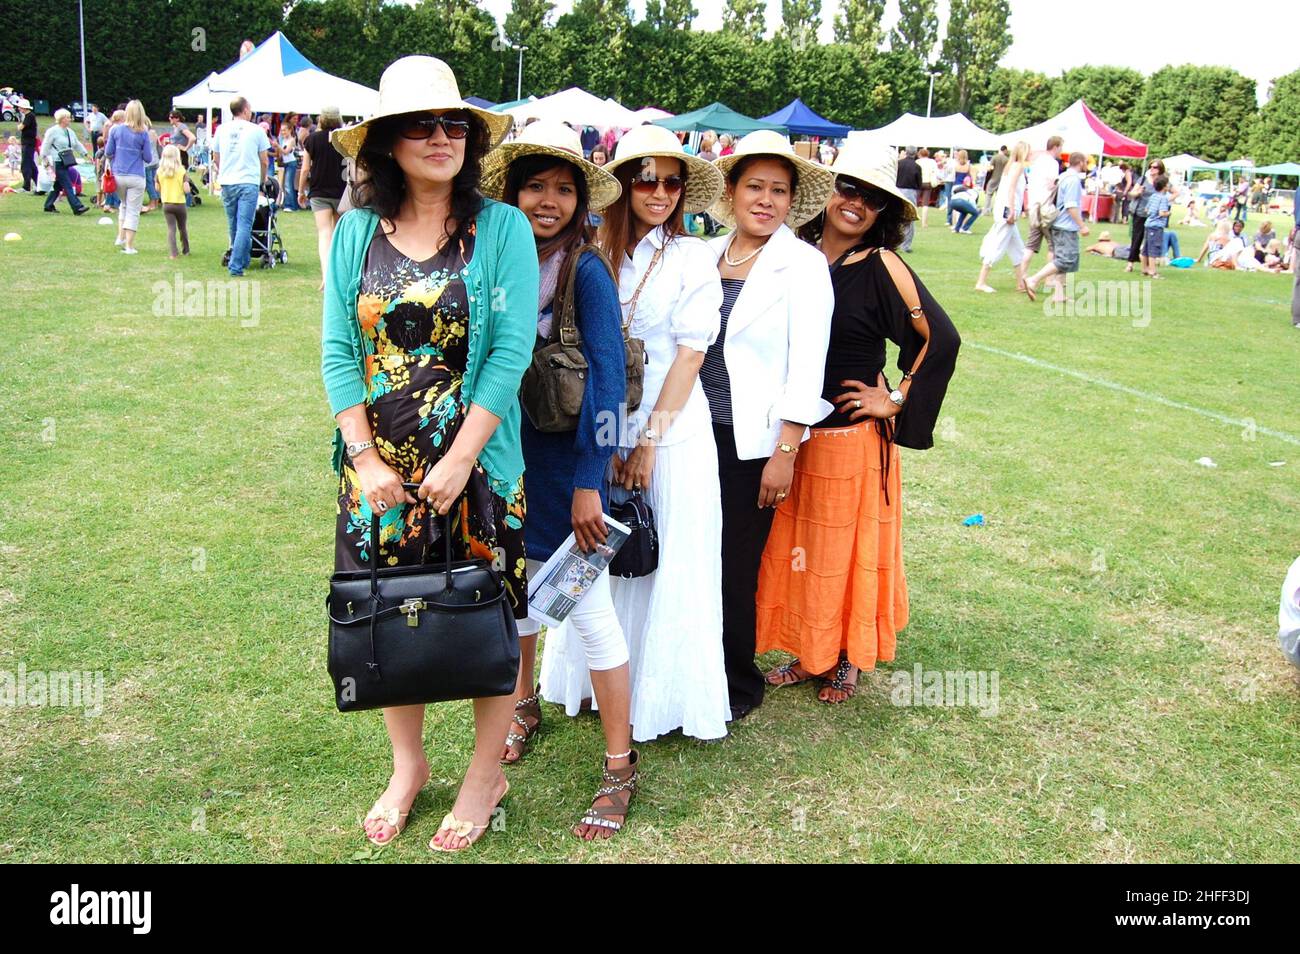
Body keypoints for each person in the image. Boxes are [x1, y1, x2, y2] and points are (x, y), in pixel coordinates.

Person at [322, 55, 536, 853]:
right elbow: (340, 352)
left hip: (479, 467)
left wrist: (459, 461)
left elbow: (511, 352)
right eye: (422, 125)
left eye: (455, 125)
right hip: (376, 475)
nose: (442, 137)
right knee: (387, 615)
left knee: (490, 616)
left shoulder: (502, 229)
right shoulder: (353, 233)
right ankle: (407, 767)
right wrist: (368, 460)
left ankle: (486, 772)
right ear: (385, 142)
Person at [541, 123, 729, 742]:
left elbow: (690, 355)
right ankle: (593, 687)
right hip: (593, 421)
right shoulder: (587, 249)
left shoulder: (691, 257)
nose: (661, 191)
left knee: (666, 558)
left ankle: (661, 698)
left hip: (670, 426)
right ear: (620, 182)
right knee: (595, 556)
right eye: (646, 176)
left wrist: (645, 439)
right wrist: (611, 438)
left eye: (673, 181)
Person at [480, 120, 639, 839]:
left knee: (591, 619)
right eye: (535, 186)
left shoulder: (587, 270)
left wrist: (588, 485)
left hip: (569, 476)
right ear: (511, 194)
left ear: (582, 201)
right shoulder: (495, 259)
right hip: (507, 469)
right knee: (513, 606)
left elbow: (607, 386)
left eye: (563, 189)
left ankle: (620, 766)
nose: (548, 201)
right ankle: (522, 707)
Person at [763, 140, 960, 702]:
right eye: (846, 188)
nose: (855, 203)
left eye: (872, 198)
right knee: (801, 548)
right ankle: (810, 652)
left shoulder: (881, 266)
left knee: (845, 555)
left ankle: (846, 657)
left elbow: (939, 338)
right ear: (826, 191)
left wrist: (895, 398)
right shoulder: (793, 253)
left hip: (849, 438)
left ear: (884, 212)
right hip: (790, 434)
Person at [702, 130, 835, 720]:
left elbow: (808, 363)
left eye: (779, 190)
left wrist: (786, 448)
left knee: (735, 562)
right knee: (693, 555)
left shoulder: (802, 265)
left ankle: (736, 681)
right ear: (730, 192)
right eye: (754, 186)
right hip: (690, 436)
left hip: (751, 443)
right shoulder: (706, 254)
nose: (766, 199)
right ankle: (693, 667)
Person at [211, 96, 269, 277]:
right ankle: (236, 265)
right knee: (245, 224)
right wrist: (262, 179)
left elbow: (216, 156)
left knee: (233, 223)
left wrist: (224, 171)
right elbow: (264, 160)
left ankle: (241, 258)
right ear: (245, 110)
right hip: (248, 181)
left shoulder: (221, 129)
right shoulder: (256, 130)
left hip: (228, 181)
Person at [1026, 152, 1090, 303]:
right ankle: (1034, 280)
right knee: (1065, 260)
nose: (1087, 164)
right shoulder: (1073, 180)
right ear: (1080, 162)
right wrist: (1082, 226)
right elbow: (1071, 206)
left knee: (1064, 261)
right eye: (1086, 162)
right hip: (1065, 226)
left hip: (1058, 224)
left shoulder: (1063, 176)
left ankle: (1059, 295)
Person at [975, 141, 1032, 293]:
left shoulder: (1011, 166)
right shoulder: (1018, 167)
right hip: (1007, 210)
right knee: (998, 244)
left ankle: (1020, 283)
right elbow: (1012, 189)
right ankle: (981, 281)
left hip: (1004, 208)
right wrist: (1012, 210)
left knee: (1017, 248)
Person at [299, 106, 346, 289]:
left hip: (319, 192)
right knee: (338, 235)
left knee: (324, 233)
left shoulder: (311, 140)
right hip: (342, 193)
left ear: (321, 119)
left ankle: (326, 275)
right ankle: (339, 275)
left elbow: (305, 169)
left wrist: (300, 191)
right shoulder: (344, 138)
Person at [1021, 136, 1063, 277]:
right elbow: (1051, 184)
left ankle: (1022, 276)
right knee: (1053, 245)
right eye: (1061, 147)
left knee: (1031, 244)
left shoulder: (1037, 162)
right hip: (1046, 207)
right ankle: (1049, 278)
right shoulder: (1053, 163)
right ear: (1055, 147)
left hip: (1033, 206)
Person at [39, 108, 91, 215]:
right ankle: (77, 207)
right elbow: (46, 145)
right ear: (61, 119)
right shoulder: (52, 131)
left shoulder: (70, 132)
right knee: (67, 184)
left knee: (58, 185)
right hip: (57, 161)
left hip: (66, 161)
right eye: (67, 117)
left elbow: (76, 144)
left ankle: (48, 205)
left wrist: (85, 154)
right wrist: (44, 159)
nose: (69, 119)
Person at [1125, 159, 1166, 273]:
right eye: (1151, 166)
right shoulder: (1143, 179)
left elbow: (1175, 192)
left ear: (1160, 169)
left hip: (1154, 216)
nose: (1152, 169)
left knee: (1150, 241)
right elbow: (1131, 193)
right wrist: (1138, 192)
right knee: (1136, 239)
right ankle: (1130, 263)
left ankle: (1147, 267)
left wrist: (1166, 202)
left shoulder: (1162, 181)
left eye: (1155, 167)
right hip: (1140, 212)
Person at [155, 143, 190, 259]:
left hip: (167, 203)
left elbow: (157, 188)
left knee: (171, 228)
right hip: (180, 203)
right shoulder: (181, 171)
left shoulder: (159, 172)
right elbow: (186, 189)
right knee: (182, 227)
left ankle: (173, 253)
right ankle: (186, 249)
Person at [1141, 175, 1172, 278]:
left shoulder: (1153, 196)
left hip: (1148, 224)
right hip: (1156, 226)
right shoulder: (1163, 198)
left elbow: (1146, 210)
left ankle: (1144, 268)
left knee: (1146, 248)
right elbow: (1162, 213)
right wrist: (1168, 213)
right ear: (1164, 186)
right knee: (1153, 249)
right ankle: (1152, 271)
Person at [896, 146, 921, 252]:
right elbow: (919, 183)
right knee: (909, 219)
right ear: (915, 153)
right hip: (910, 192)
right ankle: (905, 245)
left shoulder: (899, 164)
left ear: (906, 152)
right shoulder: (916, 166)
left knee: (895, 217)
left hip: (897, 190)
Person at [277, 113, 302, 211]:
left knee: (288, 184)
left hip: (291, 163)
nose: (282, 132)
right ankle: (290, 204)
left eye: (284, 130)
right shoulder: (284, 140)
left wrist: (277, 146)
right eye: (281, 130)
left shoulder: (291, 140)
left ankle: (290, 205)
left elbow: (286, 152)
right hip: (286, 163)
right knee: (286, 184)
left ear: (290, 130)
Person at [17, 98, 38, 193]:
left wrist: (19, 124)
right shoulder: (29, 116)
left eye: (20, 107)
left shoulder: (29, 116)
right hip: (28, 142)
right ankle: (38, 183)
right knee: (31, 164)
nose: (19, 108)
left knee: (25, 164)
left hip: (28, 143)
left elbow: (21, 127)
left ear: (24, 108)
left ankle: (26, 186)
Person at [983, 144, 1009, 212]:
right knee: (1000, 197)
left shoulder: (995, 157)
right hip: (1002, 180)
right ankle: (998, 210)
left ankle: (986, 209)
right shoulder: (1006, 159)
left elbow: (990, 168)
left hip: (993, 178)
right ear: (1005, 150)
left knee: (989, 194)